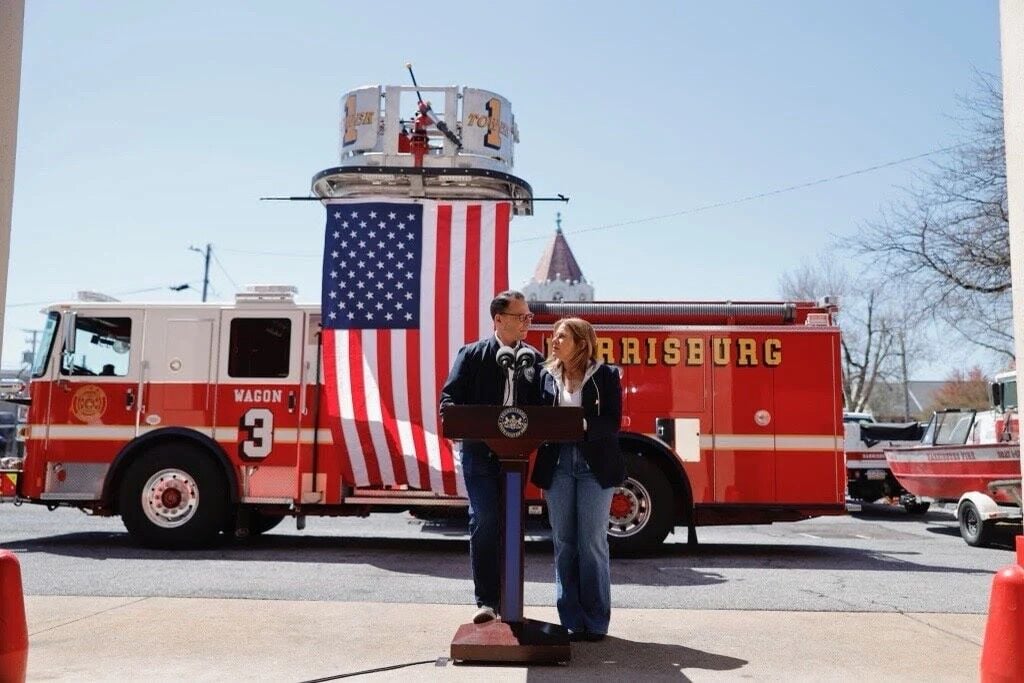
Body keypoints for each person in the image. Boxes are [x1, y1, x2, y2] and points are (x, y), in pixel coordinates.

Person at [439, 290, 542, 625]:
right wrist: (455, 417)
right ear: (499, 319)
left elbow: (547, 406)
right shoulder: (471, 355)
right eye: (521, 316)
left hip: (517, 457)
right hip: (479, 454)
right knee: (485, 519)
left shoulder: (535, 360)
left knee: (512, 522)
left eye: (529, 316)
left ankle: (511, 601)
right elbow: (449, 399)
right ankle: (486, 601)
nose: (528, 322)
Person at [531, 317, 625, 642]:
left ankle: (596, 622)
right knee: (564, 542)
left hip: (593, 466)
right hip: (556, 465)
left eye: (561, 337)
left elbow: (612, 421)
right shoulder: (544, 375)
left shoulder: (607, 375)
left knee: (592, 542)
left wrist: (581, 426)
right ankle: (571, 620)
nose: (554, 342)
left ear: (581, 343)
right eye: (554, 337)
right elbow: (535, 417)